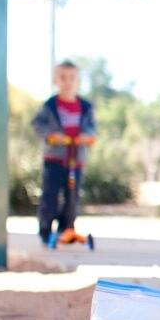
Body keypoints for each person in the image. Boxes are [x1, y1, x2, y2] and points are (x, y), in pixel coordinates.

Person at [32, 60, 96, 245]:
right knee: (50, 195)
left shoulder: (85, 107)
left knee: (72, 196)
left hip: (76, 159)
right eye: (62, 77)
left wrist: (87, 136)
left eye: (71, 78)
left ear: (78, 81)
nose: (67, 82)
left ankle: (67, 228)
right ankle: (46, 230)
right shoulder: (50, 105)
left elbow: (91, 128)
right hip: (55, 158)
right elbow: (38, 124)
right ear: (56, 80)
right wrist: (51, 136)